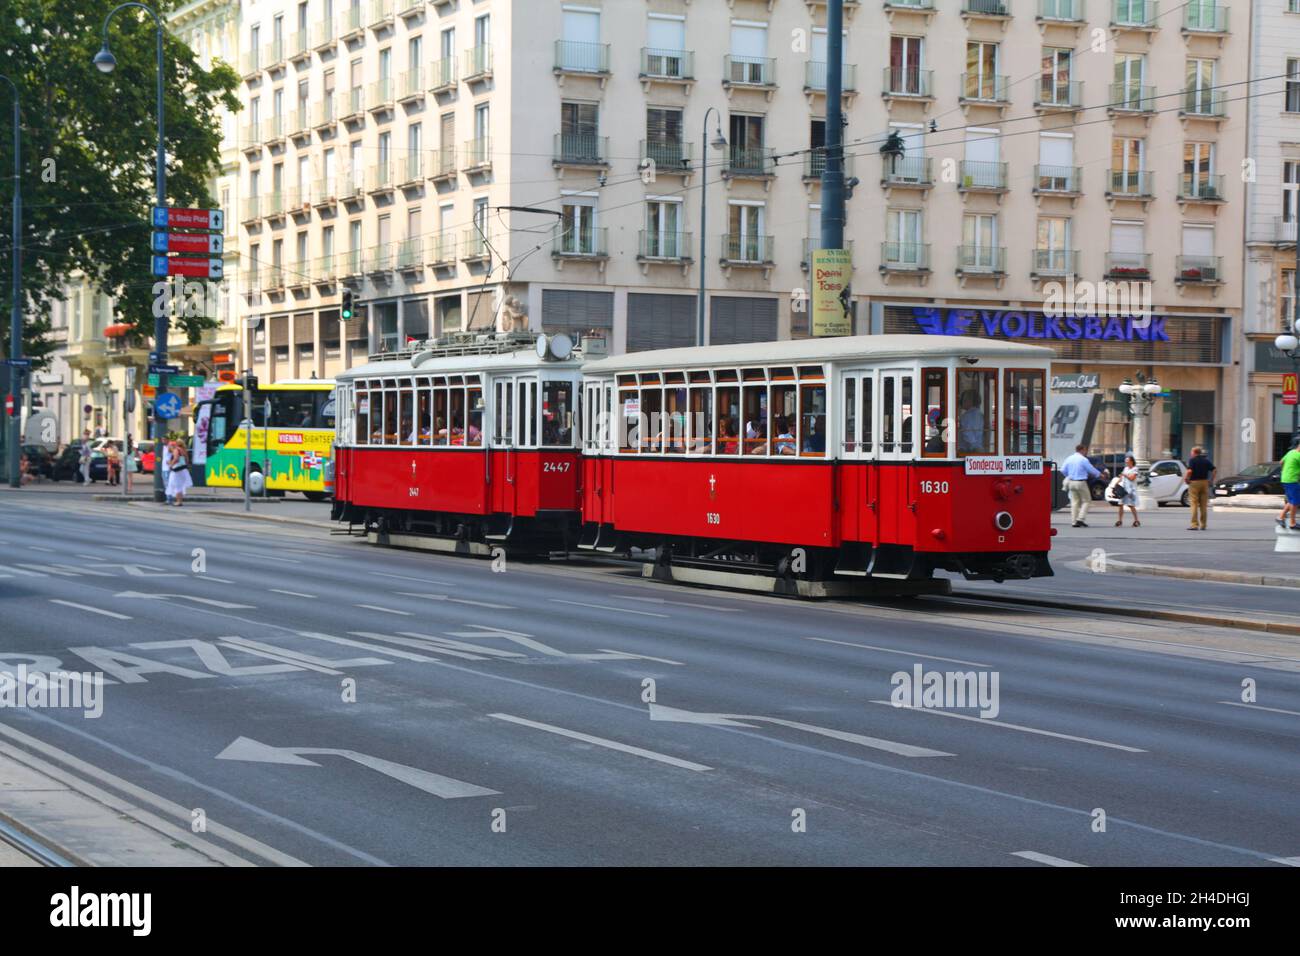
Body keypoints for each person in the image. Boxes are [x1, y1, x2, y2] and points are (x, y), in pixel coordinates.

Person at [1060, 443, 1105, 528]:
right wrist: (1100, 474)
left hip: (1071, 482)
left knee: (1074, 502)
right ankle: (1080, 519)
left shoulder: (1069, 458)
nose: (1086, 452)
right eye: (1085, 450)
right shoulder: (1083, 459)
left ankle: (1074, 521)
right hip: (1080, 482)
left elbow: (1062, 470)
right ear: (1082, 450)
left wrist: (1069, 475)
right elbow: (1091, 469)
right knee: (1087, 501)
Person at [1185, 446, 1215, 531]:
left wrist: (1186, 478)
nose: (1191, 453)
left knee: (1194, 504)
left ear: (1194, 452)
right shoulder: (1206, 460)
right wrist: (1211, 480)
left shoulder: (1192, 460)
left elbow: (1190, 471)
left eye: (1191, 452)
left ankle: (1194, 525)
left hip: (1194, 483)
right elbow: (1214, 470)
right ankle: (1203, 525)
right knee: (1203, 505)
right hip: (1204, 482)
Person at [1112, 454, 1141, 528]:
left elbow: (1132, 478)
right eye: (1126, 461)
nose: (1126, 462)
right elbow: (1121, 477)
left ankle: (1136, 520)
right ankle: (1120, 520)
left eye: (1127, 461)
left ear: (1131, 461)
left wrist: (1125, 475)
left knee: (1131, 505)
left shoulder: (1135, 469)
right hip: (1124, 489)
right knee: (1120, 504)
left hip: (1131, 490)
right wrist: (1116, 483)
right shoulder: (1126, 468)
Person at [1278, 438, 1300, 531]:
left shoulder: (1291, 452)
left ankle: (1280, 517)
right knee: (1295, 502)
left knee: (1292, 500)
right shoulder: (1298, 455)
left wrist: (1284, 471)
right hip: (1292, 480)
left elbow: (1281, 462)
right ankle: (1292, 523)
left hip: (1285, 479)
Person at [164, 440, 193, 507]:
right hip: (183, 469)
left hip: (177, 470)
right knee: (179, 485)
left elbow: (176, 459)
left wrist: (170, 464)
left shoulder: (176, 450)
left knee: (176, 485)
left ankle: (178, 501)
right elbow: (187, 460)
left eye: (169, 446)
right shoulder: (183, 450)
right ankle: (180, 501)